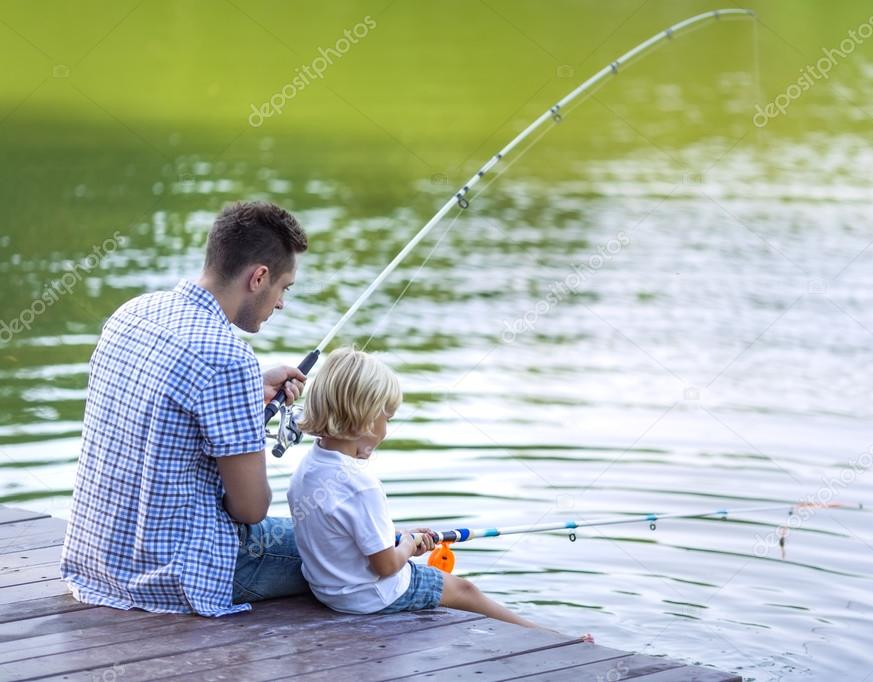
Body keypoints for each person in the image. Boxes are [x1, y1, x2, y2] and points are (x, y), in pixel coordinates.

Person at [60, 201, 312, 616]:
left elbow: (161, 415)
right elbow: (249, 509)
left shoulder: (132, 313)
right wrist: (244, 412)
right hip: (176, 577)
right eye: (284, 288)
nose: (281, 303)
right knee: (356, 546)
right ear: (259, 277)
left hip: (96, 563)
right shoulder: (229, 357)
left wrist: (247, 395)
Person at [288, 347, 537, 627]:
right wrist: (406, 546)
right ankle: (549, 635)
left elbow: (341, 534)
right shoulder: (361, 485)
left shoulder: (307, 468)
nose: (386, 429)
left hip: (328, 592)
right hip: (369, 597)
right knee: (464, 590)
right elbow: (385, 567)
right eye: (387, 419)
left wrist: (398, 536)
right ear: (366, 419)